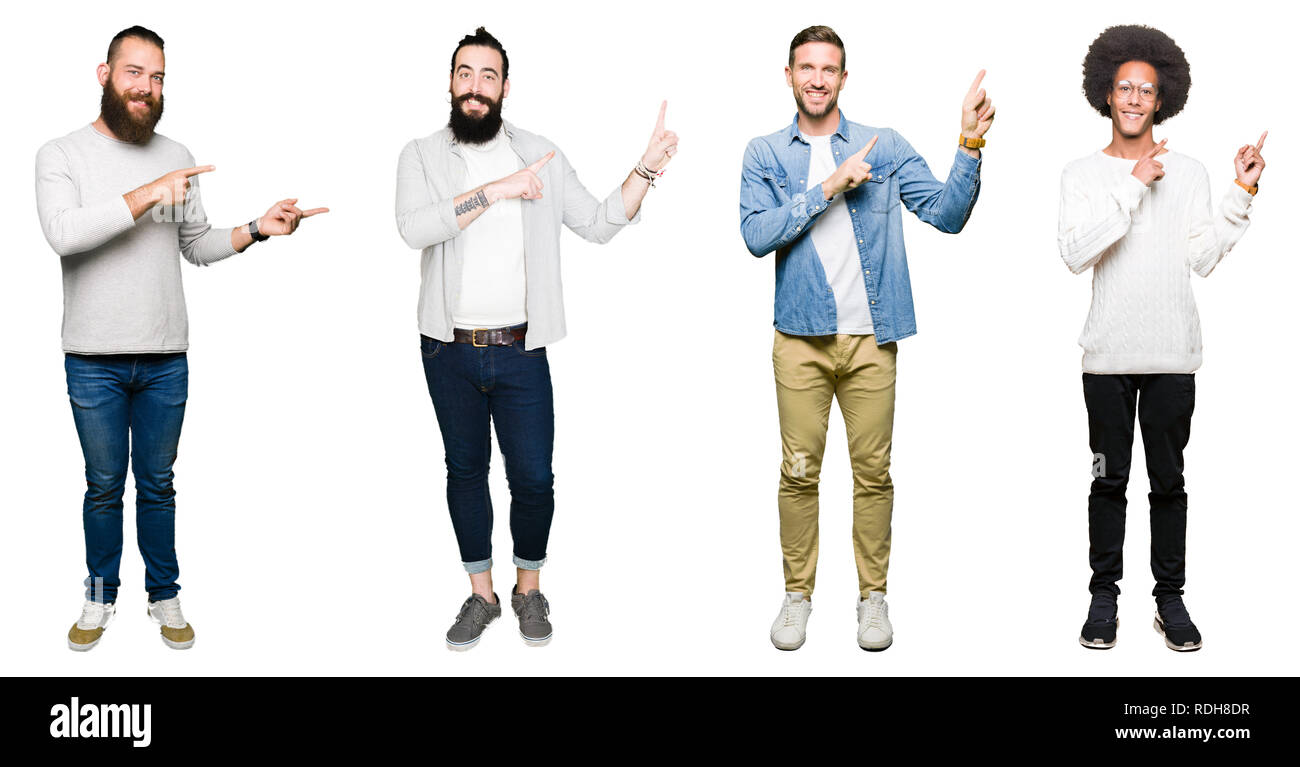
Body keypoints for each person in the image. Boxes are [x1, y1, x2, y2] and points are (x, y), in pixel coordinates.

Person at [36, 26, 328, 651]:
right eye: (134, 72)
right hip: (93, 360)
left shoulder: (177, 154)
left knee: (160, 484)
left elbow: (194, 245)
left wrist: (259, 228)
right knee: (103, 486)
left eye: (159, 76)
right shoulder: (61, 154)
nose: (147, 87)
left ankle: (163, 595)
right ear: (104, 74)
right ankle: (99, 595)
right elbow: (65, 233)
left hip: (167, 359)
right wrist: (148, 195)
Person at [394, 27, 678, 651]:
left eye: (488, 76)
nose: (475, 86)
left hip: (522, 349)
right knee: (464, 472)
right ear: (450, 82)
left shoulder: (540, 154)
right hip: (447, 349)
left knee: (534, 477)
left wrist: (646, 168)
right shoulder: (420, 154)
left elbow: (601, 223)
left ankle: (528, 589)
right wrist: (496, 190)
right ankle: (481, 595)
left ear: (504, 88)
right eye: (464, 74)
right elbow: (415, 229)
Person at [739, 25, 994, 652]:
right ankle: (797, 598)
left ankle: (872, 598)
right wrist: (829, 186)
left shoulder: (887, 146)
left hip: (872, 342)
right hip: (799, 338)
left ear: (844, 78)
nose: (818, 78)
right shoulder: (766, 153)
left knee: (873, 473)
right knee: (798, 472)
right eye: (806, 67)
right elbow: (755, 234)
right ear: (790, 76)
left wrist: (969, 143)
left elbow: (947, 214)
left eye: (829, 68)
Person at [1060, 25, 1265, 652]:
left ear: (1161, 99)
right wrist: (1132, 184)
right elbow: (1074, 253)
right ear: (1106, 93)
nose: (1132, 98)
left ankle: (1169, 599)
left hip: (1174, 355)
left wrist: (1242, 192)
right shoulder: (1081, 174)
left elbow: (1202, 260)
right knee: (1106, 483)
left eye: (1145, 90)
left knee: (1169, 483)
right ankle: (1103, 598)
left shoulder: (1192, 173)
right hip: (1107, 360)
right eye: (1123, 87)